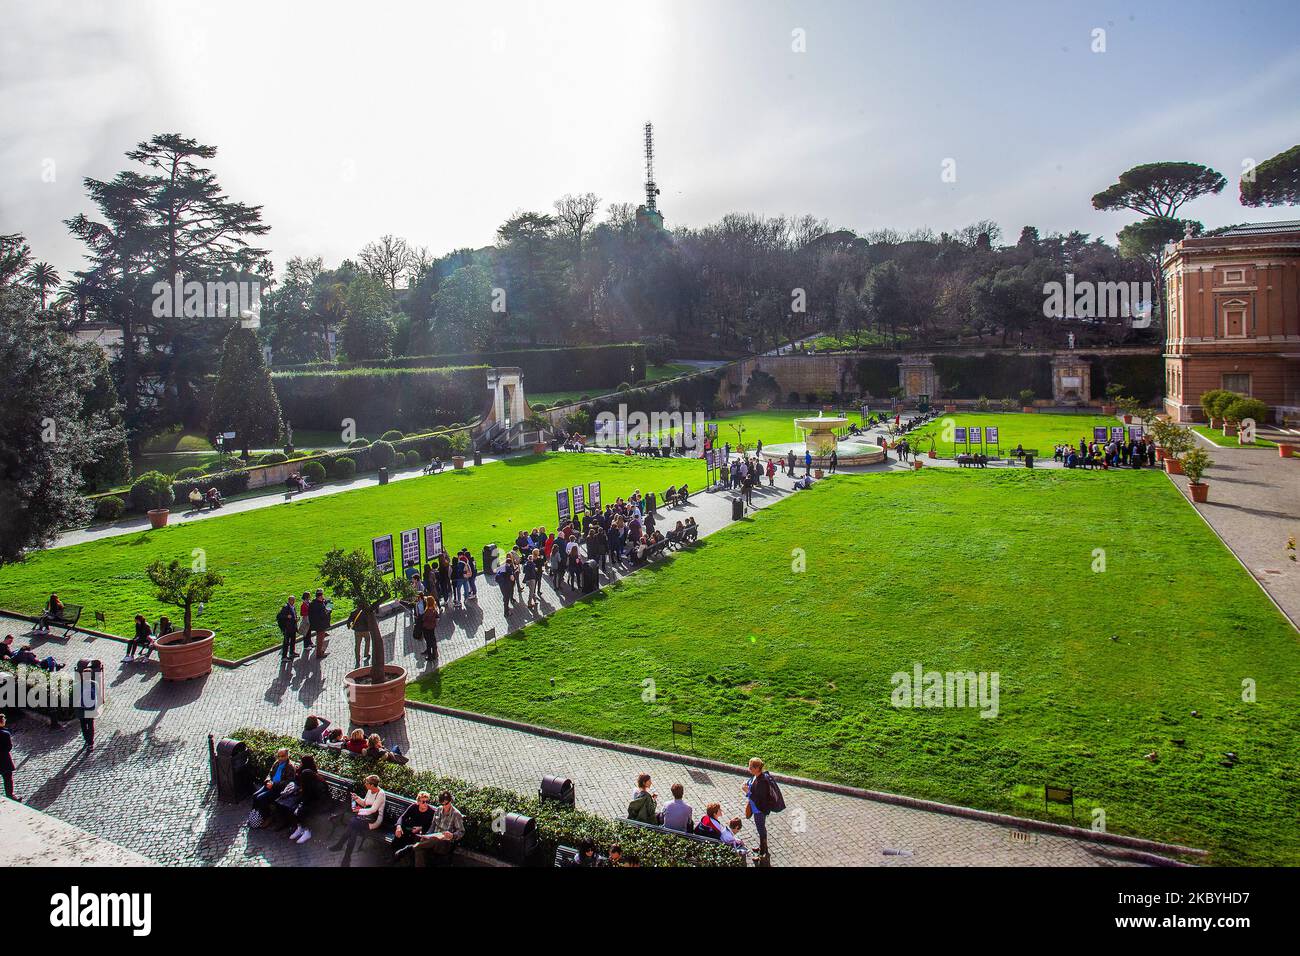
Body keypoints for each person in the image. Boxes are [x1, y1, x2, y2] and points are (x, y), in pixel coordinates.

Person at [330, 774, 385, 864]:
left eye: (366, 783)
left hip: (374, 820)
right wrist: (356, 798)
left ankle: (341, 847)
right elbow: (364, 803)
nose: (365, 784)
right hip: (364, 817)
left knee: (352, 823)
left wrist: (359, 810)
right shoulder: (370, 790)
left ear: (372, 785)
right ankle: (346, 857)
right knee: (353, 829)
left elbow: (373, 810)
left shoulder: (381, 794)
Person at [411, 790, 464, 865]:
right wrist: (427, 835)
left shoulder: (456, 814)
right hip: (432, 839)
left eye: (447, 804)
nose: (445, 806)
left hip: (445, 843)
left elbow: (461, 831)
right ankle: (417, 847)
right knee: (420, 849)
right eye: (443, 804)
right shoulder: (438, 809)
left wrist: (452, 835)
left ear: (450, 801)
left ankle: (413, 847)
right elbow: (433, 825)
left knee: (434, 840)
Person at [283, 753, 322, 843]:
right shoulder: (304, 772)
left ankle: (307, 831)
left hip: (314, 801)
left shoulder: (311, 779)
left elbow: (313, 796)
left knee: (299, 810)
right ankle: (299, 827)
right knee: (290, 806)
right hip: (305, 797)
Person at [251, 748, 297, 822]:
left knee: (260, 798)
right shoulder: (277, 763)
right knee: (255, 795)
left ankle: (266, 816)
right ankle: (255, 815)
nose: (280, 758)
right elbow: (270, 773)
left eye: (282, 756)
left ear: (287, 756)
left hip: (278, 789)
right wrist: (268, 781)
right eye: (279, 756)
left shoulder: (290, 766)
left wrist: (274, 784)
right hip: (270, 784)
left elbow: (288, 782)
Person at [391, 791, 436, 862]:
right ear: (418, 802)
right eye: (423, 802)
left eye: (427, 801)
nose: (426, 804)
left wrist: (420, 828)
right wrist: (398, 826)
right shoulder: (414, 807)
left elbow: (430, 826)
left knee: (414, 841)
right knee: (399, 833)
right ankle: (393, 855)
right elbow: (402, 817)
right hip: (410, 829)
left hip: (420, 833)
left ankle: (402, 858)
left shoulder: (431, 812)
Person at [74, 659, 105, 749]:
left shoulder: (77, 685)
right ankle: (90, 742)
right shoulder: (94, 684)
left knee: (83, 725)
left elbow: (75, 698)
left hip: (81, 708)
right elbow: (97, 695)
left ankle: (86, 740)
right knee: (90, 725)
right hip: (90, 707)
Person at [307, 589, 331, 658]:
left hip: (318, 624)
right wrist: (329, 608)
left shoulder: (313, 603)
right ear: (320, 596)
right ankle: (319, 654)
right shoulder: (317, 605)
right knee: (320, 640)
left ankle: (319, 652)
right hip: (320, 624)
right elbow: (323, 614)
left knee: (320, 638)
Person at [0, 713, 16, 801]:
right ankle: (10, 796)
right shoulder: (5, 734)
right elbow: (9, 747)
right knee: (8, 778)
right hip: (4, 759)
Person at [420, 596, 439, 662]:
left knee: (428, 642)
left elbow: (423, 619)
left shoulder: (427, 611)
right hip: (432, 628)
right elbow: (437, 618)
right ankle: (435, 654)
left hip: (426, 628)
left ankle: (430, 656)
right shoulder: (434, 610)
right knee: (433, 640)